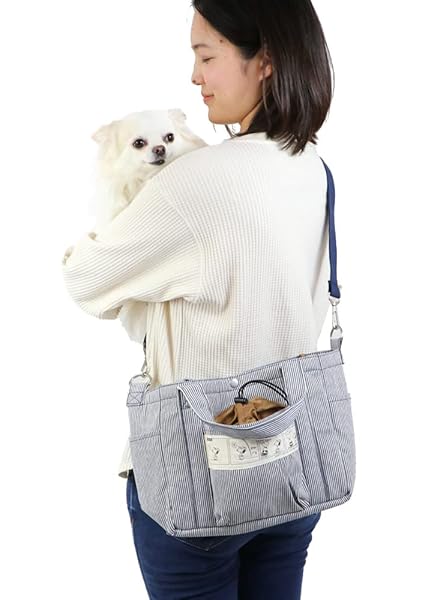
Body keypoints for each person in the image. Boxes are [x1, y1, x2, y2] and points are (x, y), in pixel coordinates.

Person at [62, 0, 335, 597]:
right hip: (294, 464)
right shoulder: (310, 165)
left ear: (265, 61)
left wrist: (92, 245)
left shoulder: (194, 182)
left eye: (206, 56)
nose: (194, 76)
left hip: (198, 477)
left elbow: (86, 282)